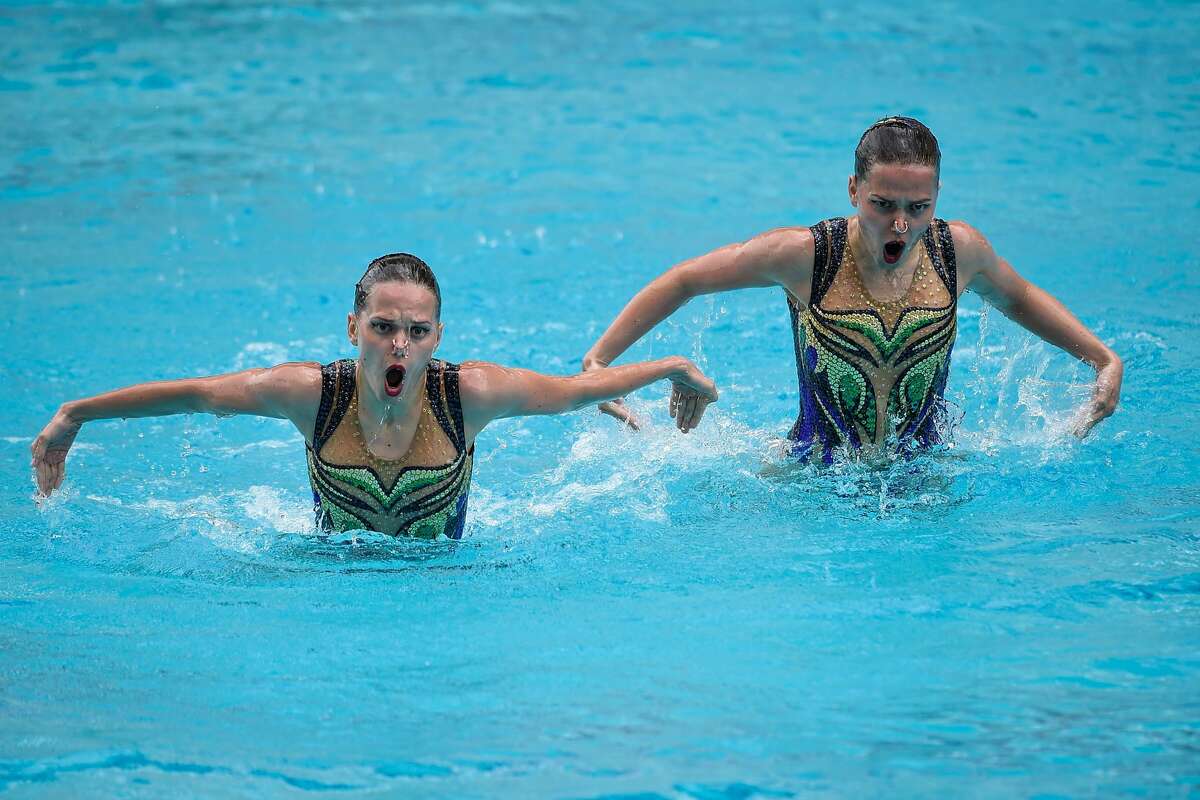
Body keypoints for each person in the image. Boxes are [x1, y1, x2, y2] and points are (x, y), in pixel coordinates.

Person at [31, 253, 718, 538]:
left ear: (437, 335)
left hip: (447, 593)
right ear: (354, 326)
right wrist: (75, 415)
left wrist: (673, 367)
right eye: (384, 326)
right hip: (332, 588)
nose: (399, 345)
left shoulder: (468, 394)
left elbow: (573, 393)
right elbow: (202, 395)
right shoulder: (310, 395)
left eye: (417, 331)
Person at [582, 116, 1123, 462]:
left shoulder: (959, 251)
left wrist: (1101, 359)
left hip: (928, 475)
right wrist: (601, 361)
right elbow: (685, 279)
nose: (901, 225)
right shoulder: (805, 255)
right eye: (882, 205)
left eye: (919, 207)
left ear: (938, 196)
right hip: (813, 480)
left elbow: (1020, 298)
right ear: (853, 190)